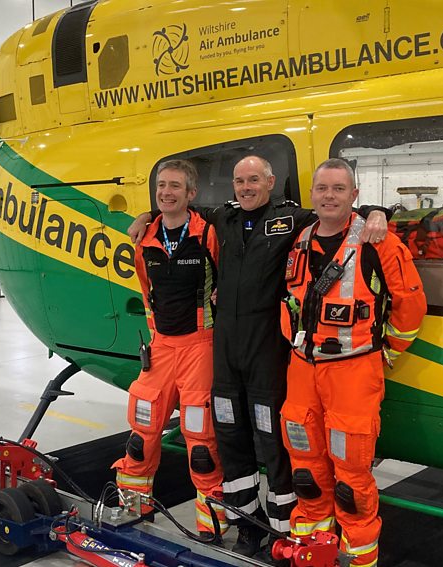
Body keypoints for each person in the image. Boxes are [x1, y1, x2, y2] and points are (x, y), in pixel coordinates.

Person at [128, 155, 389, 561]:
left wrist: (376, 212)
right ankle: (245, 524)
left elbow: (333, 210)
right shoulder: (223, 218)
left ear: (271, 182)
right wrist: (147, 214)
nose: (246, 187)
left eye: (254, 180)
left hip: (267, 351)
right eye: (239, 181)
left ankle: (280, 528)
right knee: (229, 438)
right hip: (226, 353)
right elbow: (178, 207)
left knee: (275, 443)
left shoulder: (294, 218)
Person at [279, 158, 426, 567]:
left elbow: (411, 306)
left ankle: (359, 558)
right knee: (306, 470)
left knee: (351, 478)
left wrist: (389, 352)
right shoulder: (300, 239)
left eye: (339, 189)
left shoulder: (378, 241)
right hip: (302, 369)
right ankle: (312, 551)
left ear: (354, 196)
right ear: (311, 195)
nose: (329, 196)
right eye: (322, 188)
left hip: (353, 370)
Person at [112, 159, 228, 538]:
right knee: (140, 432)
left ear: (191, 194)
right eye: (161, 185)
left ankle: (210, 527)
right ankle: (132, 509)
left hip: (200, 347)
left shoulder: (207, 232)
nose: (166, 192)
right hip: (161, 347)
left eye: (175, 186)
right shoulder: (144, 238)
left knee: (201, 442)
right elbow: (147, 291)